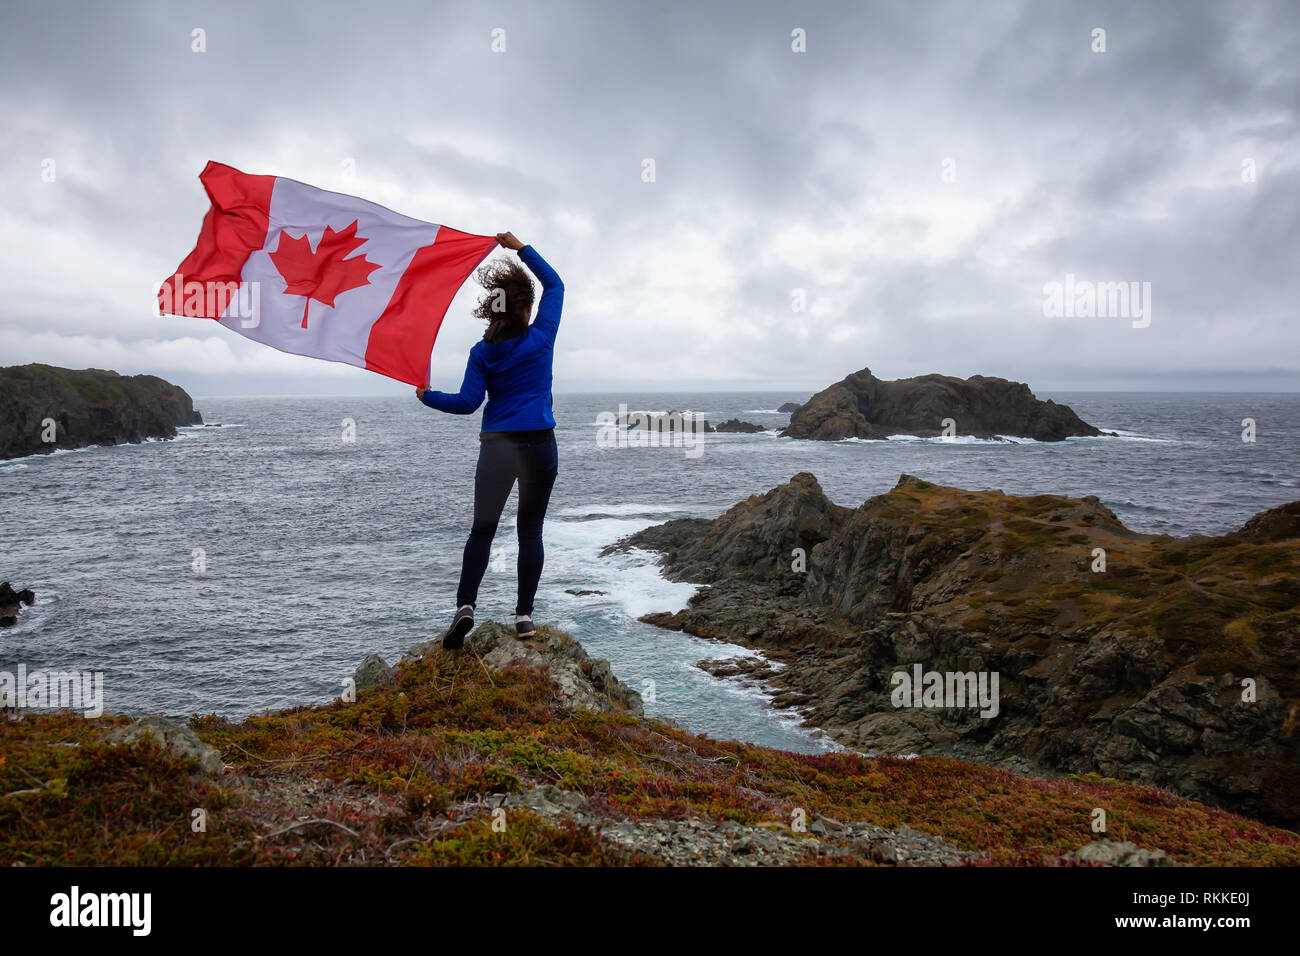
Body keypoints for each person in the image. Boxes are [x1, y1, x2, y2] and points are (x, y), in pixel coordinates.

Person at [416, 232, 562, 648]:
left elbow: (466, 403)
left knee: (482, 531)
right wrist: (521, 249)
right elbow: (556, 284)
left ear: (492, 308)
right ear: (525, 307)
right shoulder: (542, 337)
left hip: (498, 447)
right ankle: (524, 617)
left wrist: (428, 397)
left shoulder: (482, 353)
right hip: (540, 444)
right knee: (530, 532)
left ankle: (466, 608)